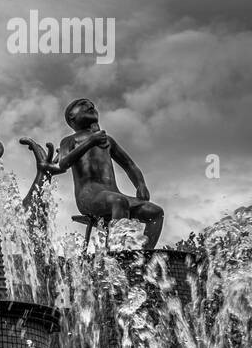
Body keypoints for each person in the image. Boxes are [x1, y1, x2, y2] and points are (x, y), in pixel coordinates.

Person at [38, 97, 163, 248]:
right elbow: (64, 163)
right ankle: (117, 254)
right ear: (72, 117)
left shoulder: (107, 140)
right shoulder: (69, 141)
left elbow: (129, 164)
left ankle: (143, 256)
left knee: (155, 212)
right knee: (119, 202)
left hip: (112, 194)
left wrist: (140, 184)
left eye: (92, 106)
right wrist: (91, 141)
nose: (91, 106)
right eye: (84, 106)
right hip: (89, 196)